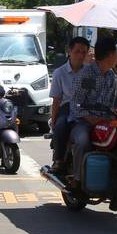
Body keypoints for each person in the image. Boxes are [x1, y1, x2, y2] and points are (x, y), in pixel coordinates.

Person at [67, 36, 117, 179]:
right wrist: (91, 119)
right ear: (110, 55)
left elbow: (114, 101)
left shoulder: (111, 76)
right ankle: (78, 178)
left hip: (105, 121)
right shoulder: (86, 75)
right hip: (83, 121)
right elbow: (75, 105)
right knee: (82, 141)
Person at [49, 36, 90, 170]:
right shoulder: (59, 73)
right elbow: (56, 100)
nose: (80, 55)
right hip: (68, 107)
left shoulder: (91, 72)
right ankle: (59, 159)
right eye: (77, 51)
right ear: (69, 51)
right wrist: (54, 122)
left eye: (84, 52)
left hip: (88, 107)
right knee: (61, 126)